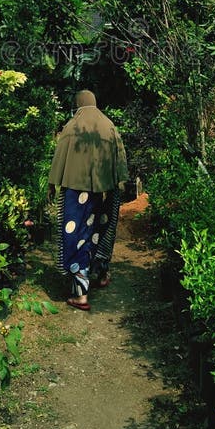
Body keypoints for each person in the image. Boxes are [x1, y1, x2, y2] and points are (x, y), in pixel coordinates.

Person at [48, 89, 129, 311]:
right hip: (107, 189)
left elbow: (59, 158)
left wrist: (52, 184)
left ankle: (81, 294)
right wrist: (120, 183)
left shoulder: (72, 127)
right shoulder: (109, 125)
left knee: (78, 234)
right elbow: (120, 158)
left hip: (76, 190)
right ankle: (102, 274)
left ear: (78, 104)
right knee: (102, 229)